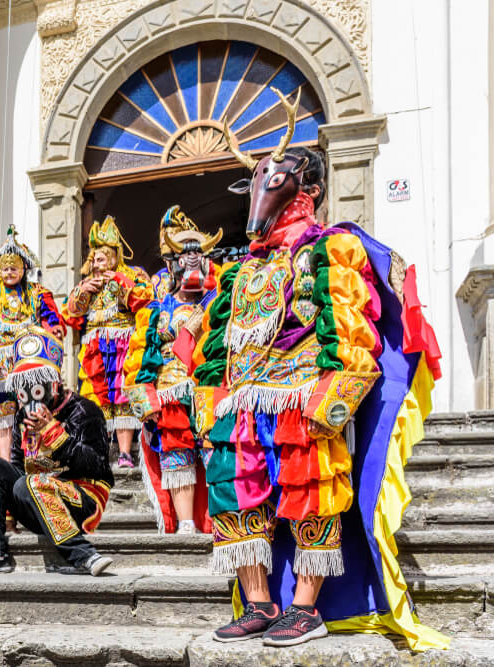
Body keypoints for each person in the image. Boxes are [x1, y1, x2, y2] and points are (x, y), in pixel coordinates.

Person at [184, 100, 447, 650]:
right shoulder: (237, 271)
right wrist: (208, 393)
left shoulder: (331, 247)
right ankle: (259, 601)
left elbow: (351, 326)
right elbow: (213, 340)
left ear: (303, 189)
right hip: (241, 398)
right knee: (235, 493)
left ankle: (306, 607)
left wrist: (337, 391)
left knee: (312, 492)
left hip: (303, 393)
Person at [0, 327, 114, 576]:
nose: (29, 396)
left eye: (36, 386)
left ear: (54, 384)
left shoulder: (84, 410)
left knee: (29, 483)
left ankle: (83, 554)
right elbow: (16, 467)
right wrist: (7, 516)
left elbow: (96, 466)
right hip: (34, 496)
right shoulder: (21, 416)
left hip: (84, 500)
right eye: (23, 388)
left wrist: (52, 431)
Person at [123, 206, 222, 534]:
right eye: (184, 256)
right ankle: (186, 524)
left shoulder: (218, 303)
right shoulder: (155, 311)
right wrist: (144, 405)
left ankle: (220, 520)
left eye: (199, 256)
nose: (192, 262)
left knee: (215, 452)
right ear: (171, 263)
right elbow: (136, 359)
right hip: (170, 394)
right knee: (177, 456)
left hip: (211, 390)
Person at [60, 216, 153, 468]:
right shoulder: (88, 283)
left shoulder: (131, 274)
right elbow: (71, 313)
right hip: (95, 348)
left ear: (114, 255)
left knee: (122, 399)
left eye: (103, 257)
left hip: (123, 345)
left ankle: (124, 452)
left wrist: (120, 282)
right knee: (95, 400)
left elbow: (145, 299)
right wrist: (83, 291)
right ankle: (100, 451)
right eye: (95, 258)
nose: (98, 262)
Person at [0, 226, 64, 462]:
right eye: (5, 269)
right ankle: (7, 460)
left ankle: (35, 454)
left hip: (30, 358)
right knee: (3, 411)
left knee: (33, 403)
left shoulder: (38, 293)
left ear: (24, 269)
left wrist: (55, 330)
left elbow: (51, 318)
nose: (9, 272)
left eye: (14, 268)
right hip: (0, 361)